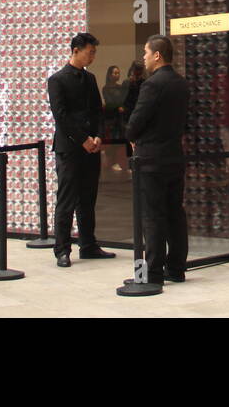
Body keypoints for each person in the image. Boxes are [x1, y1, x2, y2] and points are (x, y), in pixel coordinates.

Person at [125, 35, 189, 285]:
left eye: (146, 52)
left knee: (151, 216)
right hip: (174, 156)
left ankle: (151, 273)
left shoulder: (152, 85)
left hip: (150, 159)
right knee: (175, 213)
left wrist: (131, 135)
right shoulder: (181, 84)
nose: (143, 57)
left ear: (157, 55)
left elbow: (137, 121)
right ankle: (176, 268)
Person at [47, 33, 115, 266]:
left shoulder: (91, 78)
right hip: (69, 148)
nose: (93, 56)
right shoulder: (57, 80)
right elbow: (61, 116)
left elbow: (98, 111)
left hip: (91, 147)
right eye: (90, 51)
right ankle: (62, 249)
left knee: (88, 198)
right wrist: (83, 139)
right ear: (76, 50)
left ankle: (88, 245)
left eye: (94, 52)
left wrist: (97, 136)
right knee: (66, 199)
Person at [101, 65, 128, 174]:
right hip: (111, 118)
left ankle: (119, 162)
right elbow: (109, 102)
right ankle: (110, 163)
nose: (117, 75)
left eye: (118, 73)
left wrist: (122, 107)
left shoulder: (121, 87)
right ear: (110, 74)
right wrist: (118, 107)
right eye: (115, 73)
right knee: (111, 141)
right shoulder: (105, 88)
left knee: (121, 140)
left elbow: (123, 100)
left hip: (120, 118)